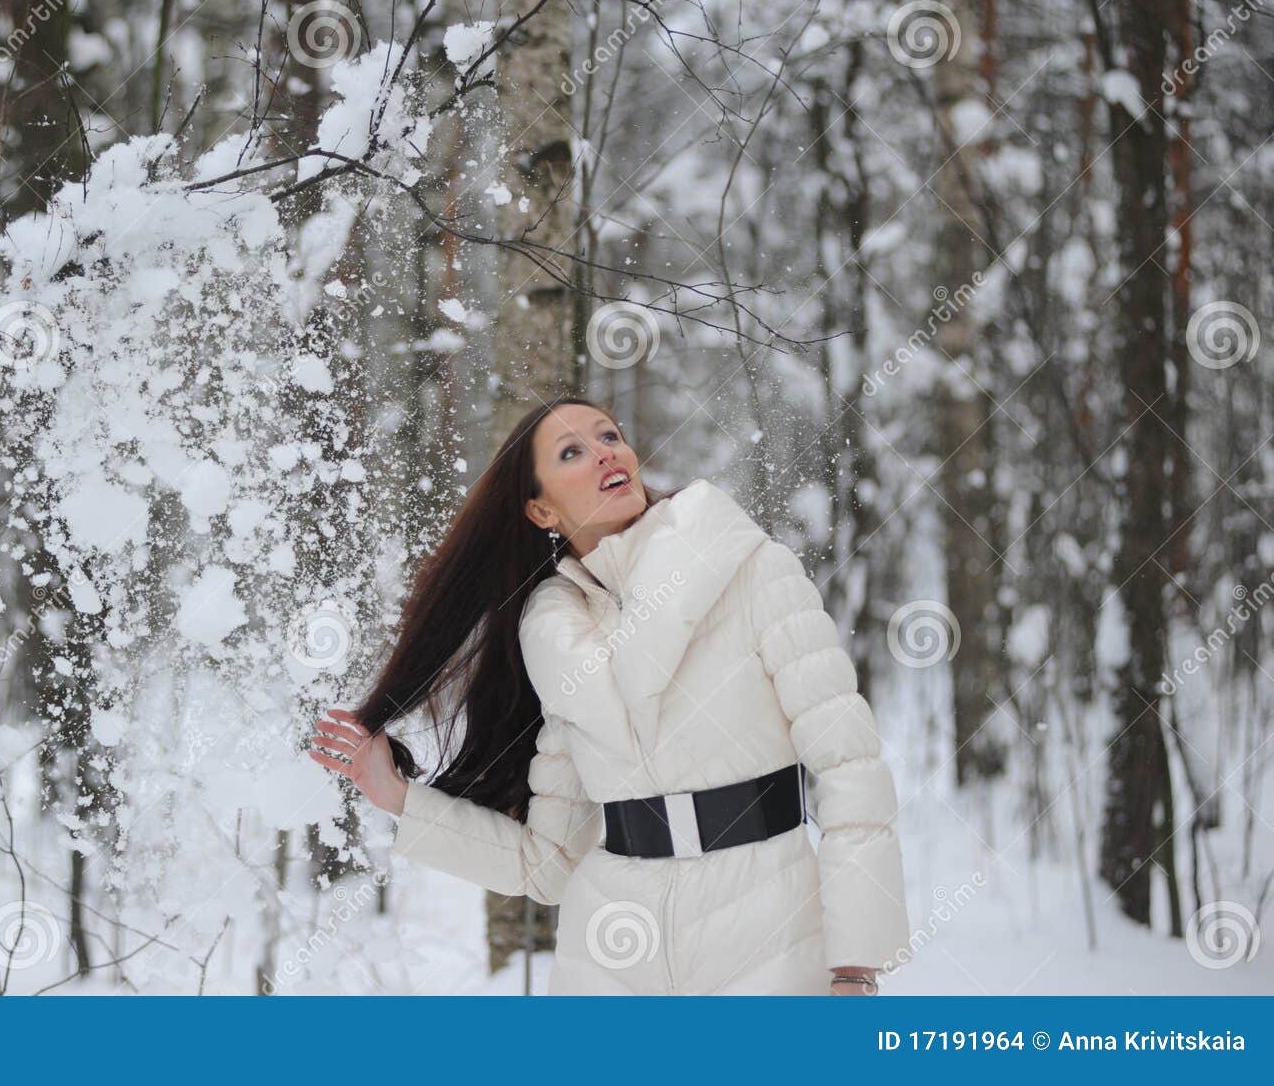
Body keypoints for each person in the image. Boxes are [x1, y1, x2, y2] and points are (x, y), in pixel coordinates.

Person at [309, 397, 910, 994]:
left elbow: (848, 768)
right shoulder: (555, 639)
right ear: (541, 509)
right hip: (609, 959)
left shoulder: (748, 569)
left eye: (610, 436)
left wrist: (856, 964)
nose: (605, 454)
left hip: (772, 939)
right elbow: (546, 864)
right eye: (573, 451)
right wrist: (398, 798)